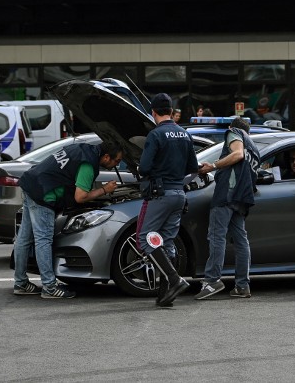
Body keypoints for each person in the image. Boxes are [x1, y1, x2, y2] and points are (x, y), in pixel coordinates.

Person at [13, 139, 123, 298]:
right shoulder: (88, 165)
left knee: (24, 238)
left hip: (32, 182)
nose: (117, 165)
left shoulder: (80, 148)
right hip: (44, 193)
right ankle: (49, 287)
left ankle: (20, 283)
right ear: (106, 157)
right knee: (43, 239)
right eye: (116, 161)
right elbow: (80, 197)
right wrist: (105, 189)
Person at [137, 93, 199, 307]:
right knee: (167, 241)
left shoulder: (155, 135)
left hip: (159, 195)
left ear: (153, 113)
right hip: (179, 195)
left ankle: (174, 279)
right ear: (171, 112)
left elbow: (144, 168)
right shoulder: (184, 134)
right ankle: (165, 296)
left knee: (144, 239)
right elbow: (193, 168)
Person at [195, 116, 260, 300]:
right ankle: (242, 285)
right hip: (241, 198)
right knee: (240, 239)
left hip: (227, 194)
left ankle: (212, 281)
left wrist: (213, 166)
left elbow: (237, 154)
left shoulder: (234, 132)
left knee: (216, 236)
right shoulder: (254, 149)